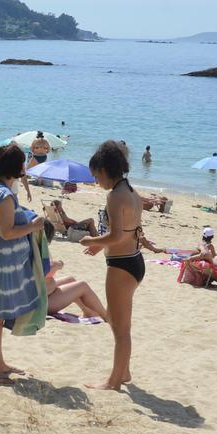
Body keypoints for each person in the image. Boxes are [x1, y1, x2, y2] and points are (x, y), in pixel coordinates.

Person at [0, 144, 46, 383]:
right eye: (22, 163)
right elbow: (7, 232)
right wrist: (34, 226)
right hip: (0, 263)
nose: (25, 166)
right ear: (15, 167)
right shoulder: (4, 195)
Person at [80, 141, 143, 391]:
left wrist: (92, 240)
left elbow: (116, 235)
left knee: (119, 328)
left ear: (105, 170)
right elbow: (132, 231)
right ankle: (124, 372)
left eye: (96, 176)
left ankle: (114, 381)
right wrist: (101, 246)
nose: (97, 181)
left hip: (121, 266)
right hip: (134, 261)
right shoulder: (131, 191)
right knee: (121, 324)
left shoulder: (115, 196)